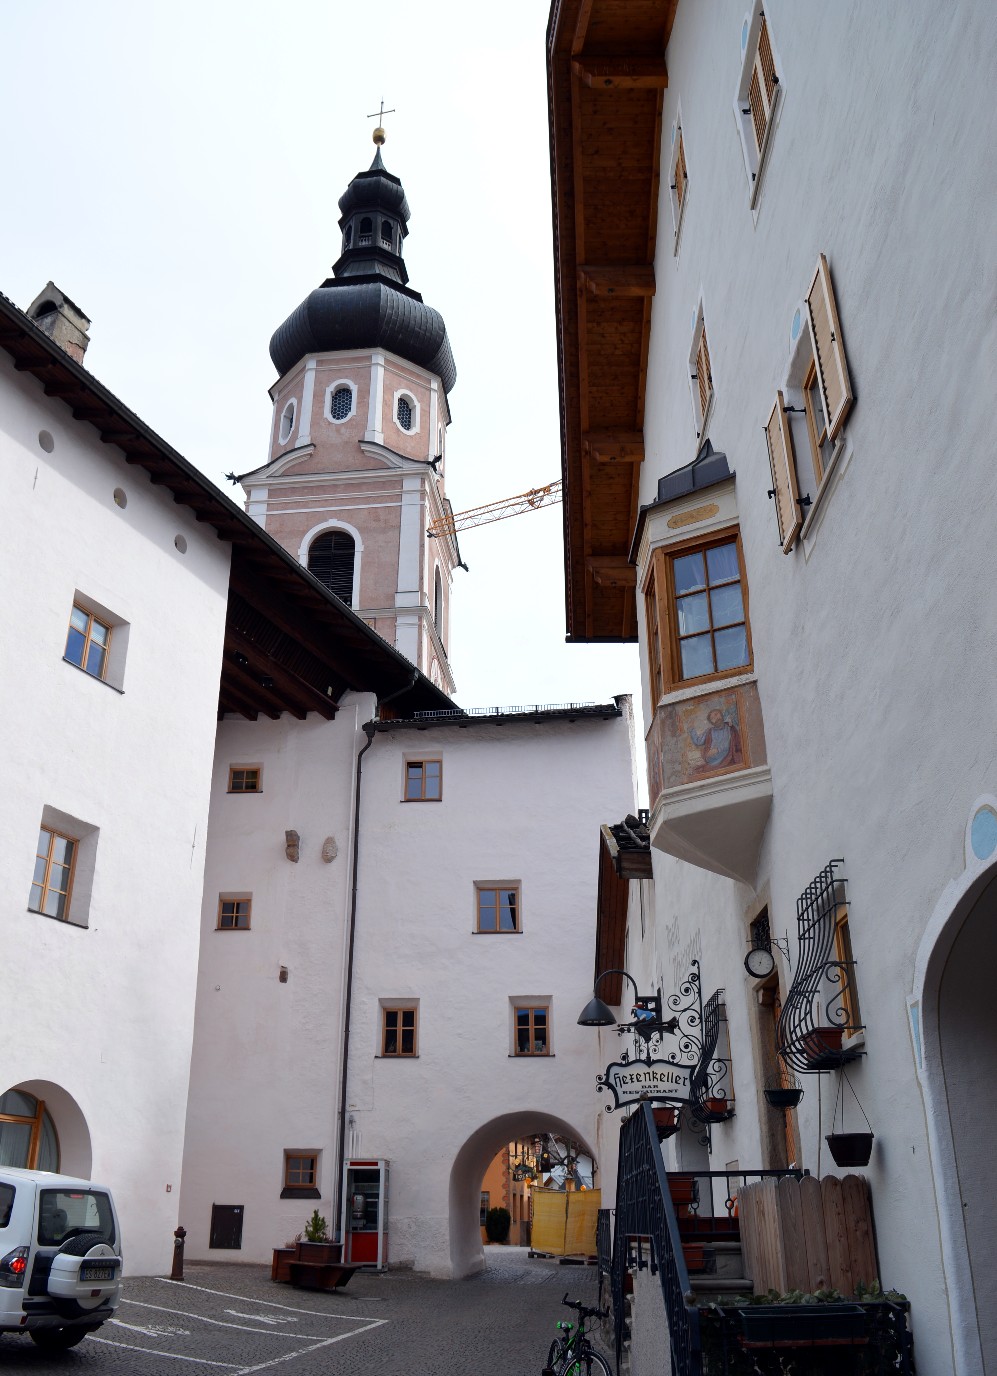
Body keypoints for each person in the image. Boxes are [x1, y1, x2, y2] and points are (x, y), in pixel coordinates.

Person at [690, 707, 742, 772]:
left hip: (727, 757)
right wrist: (691, 729)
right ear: (711, 722)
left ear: (721, 714)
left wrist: (717, 750)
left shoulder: (729, 727)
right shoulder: (709, 731)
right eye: (712, 718)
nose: (715, 718)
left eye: (716, 714)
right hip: (712, 760)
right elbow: (698, 741)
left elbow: (728, 743)